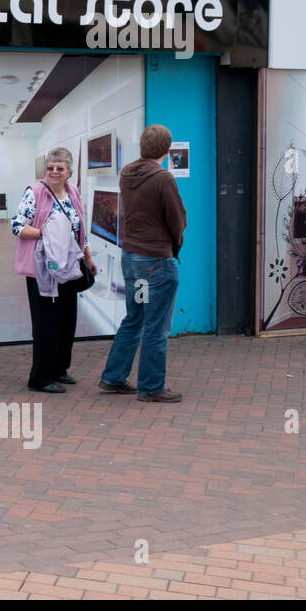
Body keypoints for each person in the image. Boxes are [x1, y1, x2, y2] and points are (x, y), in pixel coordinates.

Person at [99, 124, 188, 403]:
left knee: (134, 319)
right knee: (156, 326)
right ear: (166, 149)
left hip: (132, 259)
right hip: (156, 261)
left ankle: (114, 377)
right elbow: (177, 220)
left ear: (142, 146)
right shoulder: (164, 178)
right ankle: (151, 387)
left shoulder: (127, 173)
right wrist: (174, 248)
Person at [13, 147, 97, 393]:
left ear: (69, 171)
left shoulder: (73, 191)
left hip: (69, 266)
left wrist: (88, 256)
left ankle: (60, 369)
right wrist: (45, 234)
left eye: (60, 168)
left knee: (66, 321)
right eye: (50, 167)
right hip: (43, 269)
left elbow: (78, 229)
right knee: (46, 323)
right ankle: (40, 377)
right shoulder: (35, 192)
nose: (54, 172)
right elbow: (17, 225)